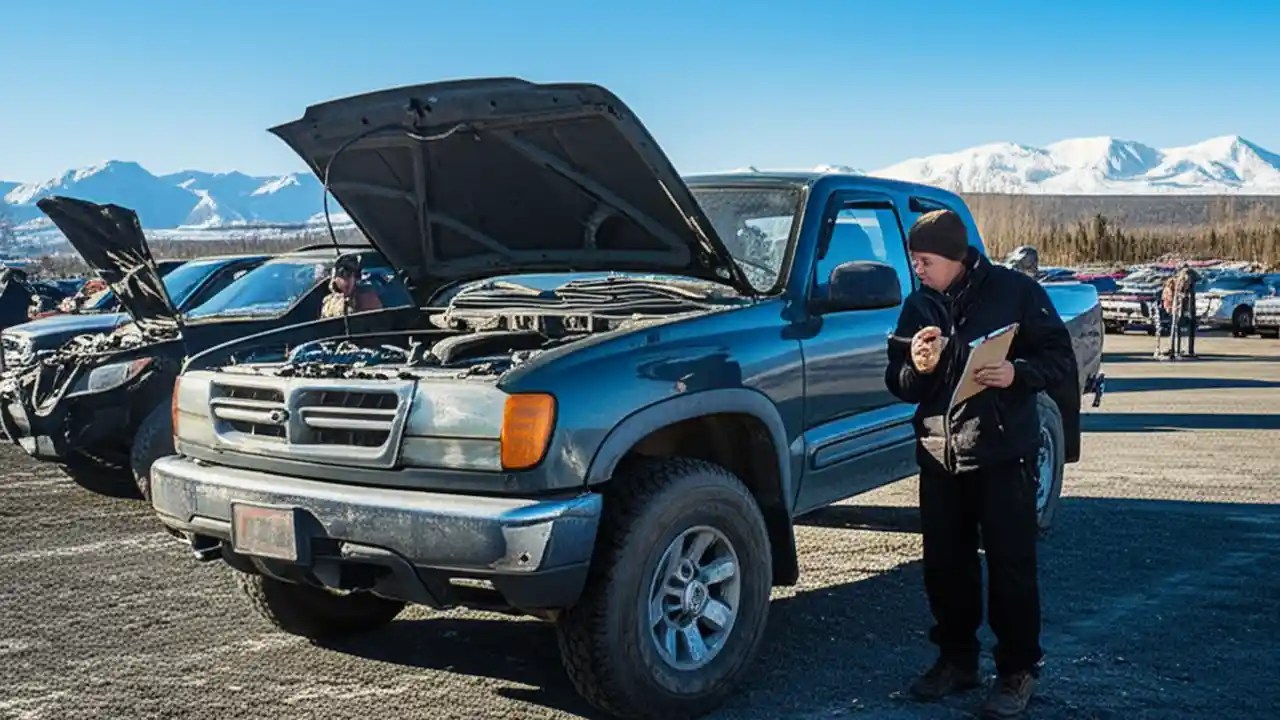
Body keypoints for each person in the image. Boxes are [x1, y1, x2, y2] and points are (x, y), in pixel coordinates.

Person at [884, 209, 1076, 719]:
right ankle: (957, 660)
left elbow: (1059, 358)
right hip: (939, 454)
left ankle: (1017, 671)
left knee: (1011, 567)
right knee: (946, 567)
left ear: (954, 257)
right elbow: (899, 382)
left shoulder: (1016, 292)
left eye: (924, 260)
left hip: (1002, 453)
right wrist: (916, 368)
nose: (918, 269)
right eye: (914, 260)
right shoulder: (918, 304)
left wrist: (1017, 372)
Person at [319, 254, 382, 319]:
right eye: (344, 273)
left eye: (353, 274)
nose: (349, 279)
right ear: (335, 276)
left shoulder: (368, 297)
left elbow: (377, 322)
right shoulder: (328, 302)